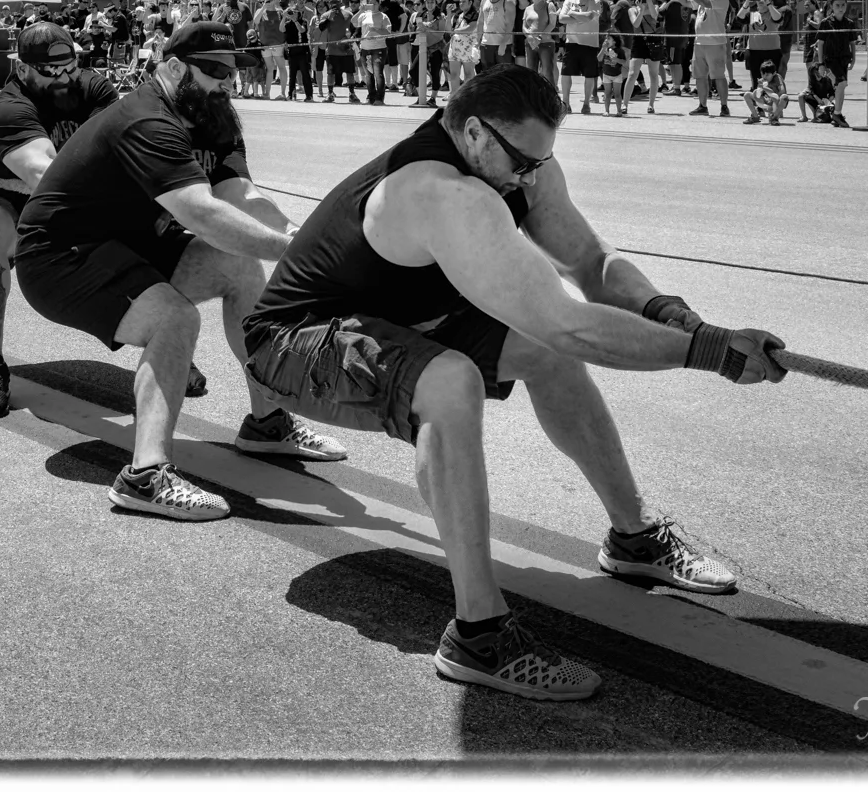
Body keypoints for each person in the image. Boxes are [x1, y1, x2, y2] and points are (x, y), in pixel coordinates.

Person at [239, 65, 785, 700]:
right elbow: (569, 326)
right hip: (294, 341)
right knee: (450, 380)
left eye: (541, 161)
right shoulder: (441, 191)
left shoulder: (521, 162)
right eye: (523, 161)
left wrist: (672, 314)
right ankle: (478, 634)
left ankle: (633, 539)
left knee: (544, 358)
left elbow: (590, 263)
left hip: (406, 318)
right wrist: (707, 351)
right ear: (473, 133)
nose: (531, 177)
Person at [14, 20, 347, 520]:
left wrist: (298, 236)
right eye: (213, 70)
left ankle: (268, 423)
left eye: (233, 72)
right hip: (61, 257)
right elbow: (201, 213)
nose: (226, 83)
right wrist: (296, 254)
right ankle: (145, 476)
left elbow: (240, 197)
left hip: (133, 245)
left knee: (240, 266)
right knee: (175, 318)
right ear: (172, 67)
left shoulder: (215, 117)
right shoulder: (147, 119)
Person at [0, 23, 125, 416]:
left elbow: (124, 141)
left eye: (70, 67)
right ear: (24, 69)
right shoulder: (11, 107)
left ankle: (164, 338)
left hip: (74, 200)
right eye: (52, 71)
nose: (65, 77)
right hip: (4, 199)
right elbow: (45, 174)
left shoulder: (92, 86)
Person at [673, 0, 732, 116]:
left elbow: (704, 2)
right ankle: (702, 105)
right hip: (700, 43)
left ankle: (724, 107)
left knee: (718, 75)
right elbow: (685, 2)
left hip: (715, 43)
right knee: (700, 76)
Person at [555, 0, 603, 114]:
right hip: (572, 42)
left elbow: (590, 17)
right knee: (566, 73)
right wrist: (579, 16)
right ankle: (566, 103)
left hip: (590, 43)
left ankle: (587, 103)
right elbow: (562, 19)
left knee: (589, 75)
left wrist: (572, 14)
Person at [477, 0, 516, 71]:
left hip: (502, 44)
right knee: (487, 74)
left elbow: (510, 24)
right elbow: (480, 22)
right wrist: (477, 42)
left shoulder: (508, 1)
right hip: (486, 44)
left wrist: (503, 44)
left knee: (503, 75)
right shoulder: (484, 0)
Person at [742, 53, 789, 126]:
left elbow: (782, 91)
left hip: (776, 101)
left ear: (774, 73)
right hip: (765, 101)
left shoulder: (777, 78)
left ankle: (775, 117)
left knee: (784, 97)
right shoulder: (762, 81)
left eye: (767, 75)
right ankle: (755, 116)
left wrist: (774, 102)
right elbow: (758, 94)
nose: (764, 76)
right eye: (762, 74)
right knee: (747, 95)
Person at [799, 55, 840, 126]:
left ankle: (819, 116)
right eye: (821, 70)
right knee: (802, 96)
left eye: (824, 69)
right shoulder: (813, 78)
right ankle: (804, 116)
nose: (823, 71)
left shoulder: (827, 79)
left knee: (826, 111)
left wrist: (828, 100)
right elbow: (812, 89)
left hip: (825, 100)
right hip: (816, 99)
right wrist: (818, 99)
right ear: (816, 71)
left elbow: (832, 92)